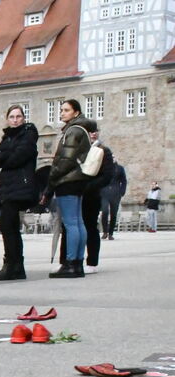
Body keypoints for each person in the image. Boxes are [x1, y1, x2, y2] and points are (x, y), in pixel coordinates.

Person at [46, 99, 95, 278]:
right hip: (78, 180)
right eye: (61, 110)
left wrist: (53, 175)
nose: (62, 113)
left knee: (71, 223)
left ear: (76, 113)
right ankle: (77, 262)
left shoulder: (73, 130)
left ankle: (71, 263)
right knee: (78, 222)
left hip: (68, 180)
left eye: (66, 110)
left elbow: (66, 159)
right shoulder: (81, 129)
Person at [0, 105, 39, 280]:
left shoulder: (28, 134)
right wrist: (7, 155)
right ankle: (16, 265)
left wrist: (6, 156)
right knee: (9, 227)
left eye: (18, 116)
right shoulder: (7, 137)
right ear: (7, 119)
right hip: (7, 187)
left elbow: (20, 156)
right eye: (12, 117)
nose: (15, 119)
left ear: (23, 118)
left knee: (8, 226)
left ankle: (11, 264)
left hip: (20, 186)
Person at [59, 124, 115, 275]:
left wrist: (89, 186)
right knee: (68, 227)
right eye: (89, 132)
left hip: (91, 195)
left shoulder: (103, 151)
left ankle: (92, 261)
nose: (93, 134)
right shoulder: (76, 150)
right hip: (74, 193)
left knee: (90, 227)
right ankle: (65, 260)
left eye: (95, 131)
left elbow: (107, 175)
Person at [99, 161, 126, 240]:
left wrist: (122, 192)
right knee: (105, 211)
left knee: (113, 214)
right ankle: (105, 232)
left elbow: (124, 181)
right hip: (105, 193)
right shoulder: (103, 167)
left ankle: (111, 233)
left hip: (115, 194)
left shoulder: (120, 168)